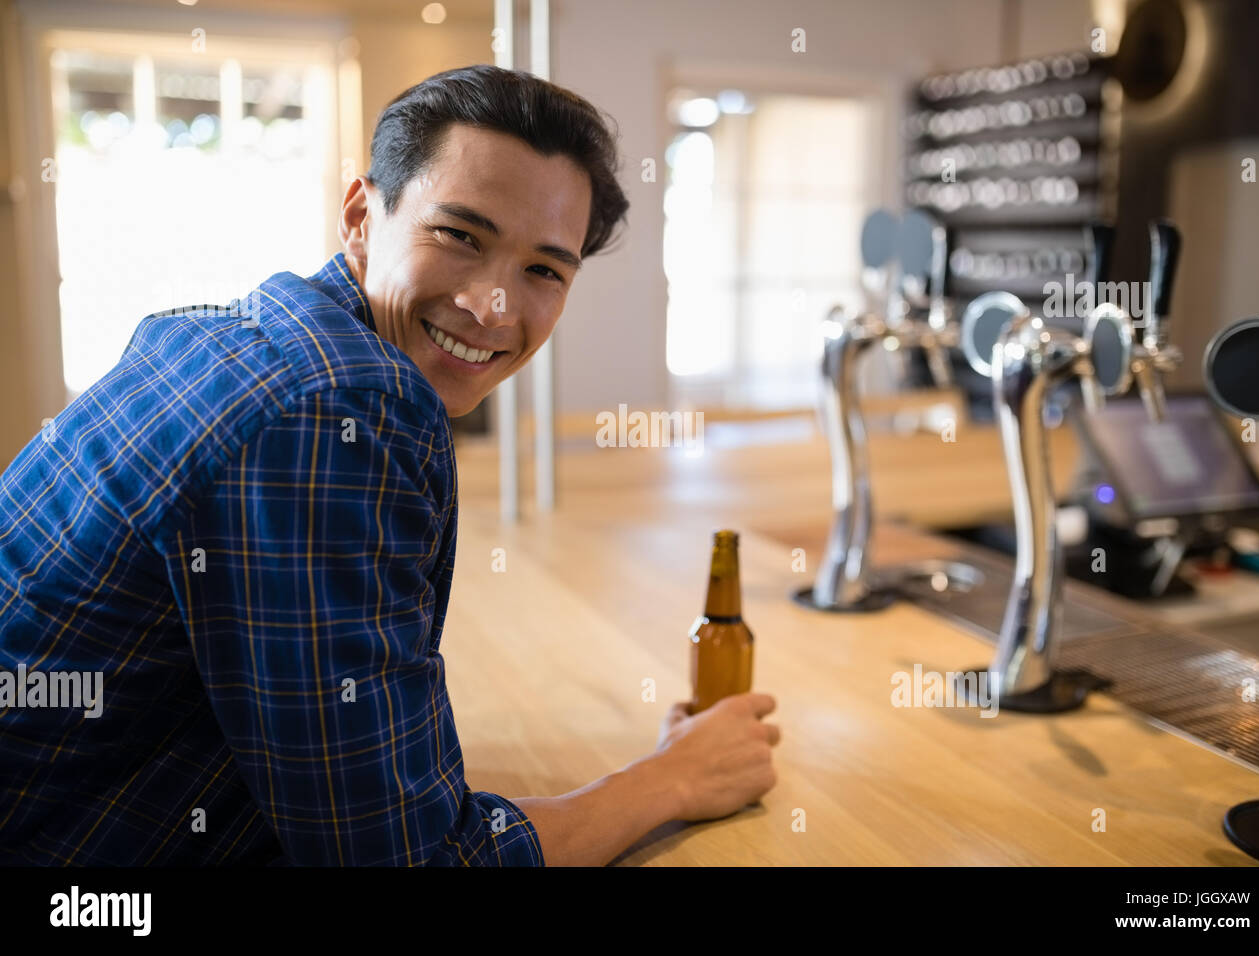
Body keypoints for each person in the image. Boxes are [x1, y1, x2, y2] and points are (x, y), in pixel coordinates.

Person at [0, 64, 779, 866]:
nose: (493, 307)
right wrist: (669, 781)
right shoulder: (337, 410)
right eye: (459, 236)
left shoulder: (254, 333)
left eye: (544, 269)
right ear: (361, 216)